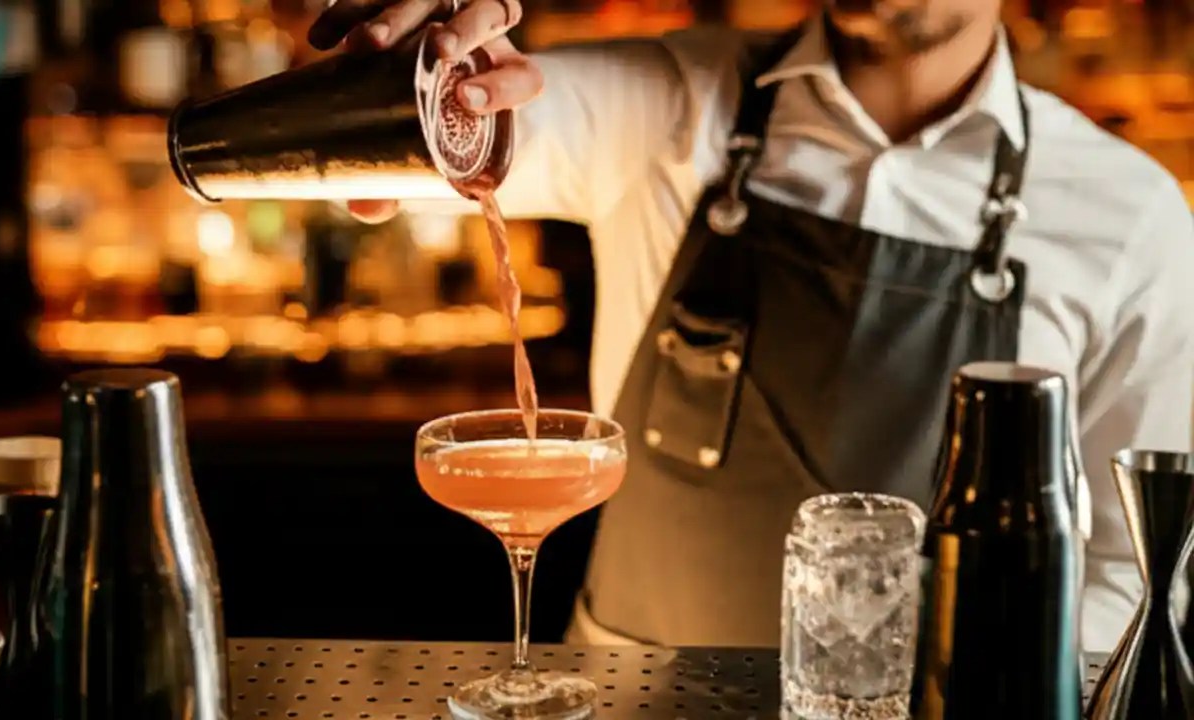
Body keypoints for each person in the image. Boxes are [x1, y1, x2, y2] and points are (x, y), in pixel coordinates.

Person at [308, 0, 1194, 651]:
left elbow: (1137, 573)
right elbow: (463, 126)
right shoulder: (671, 100)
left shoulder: (1127, 213)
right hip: (631, 705)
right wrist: (418, 71)